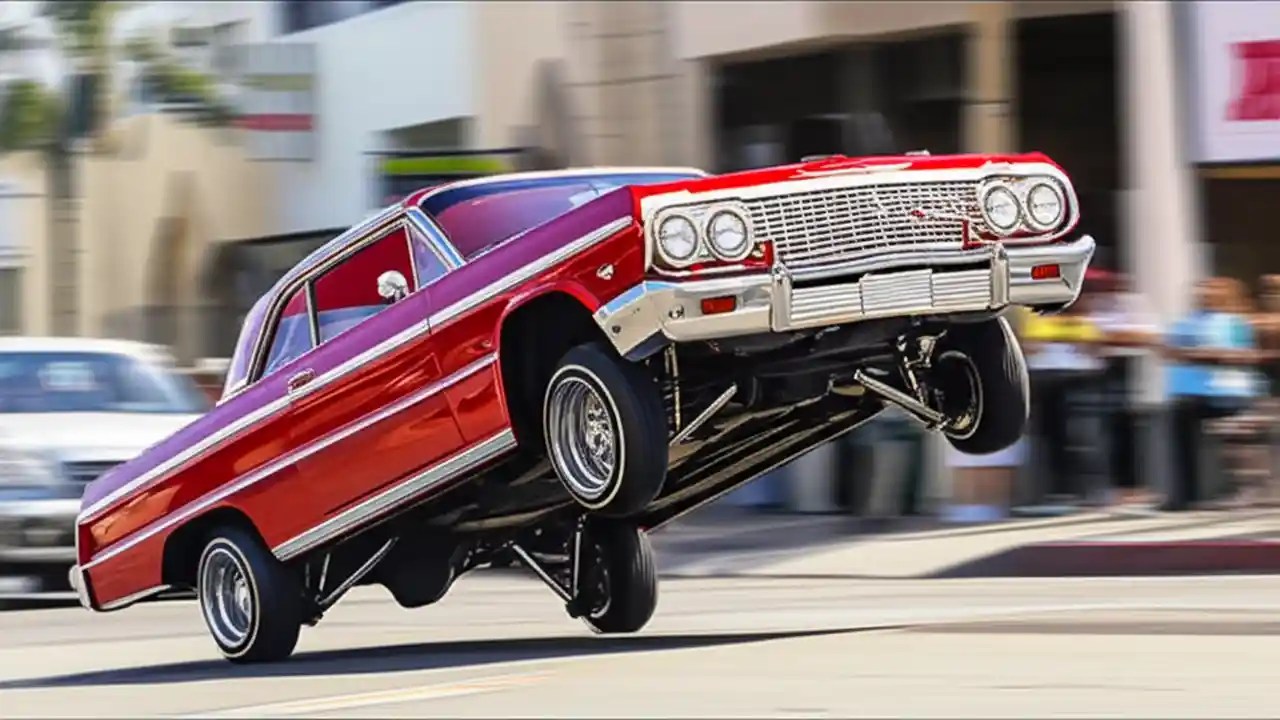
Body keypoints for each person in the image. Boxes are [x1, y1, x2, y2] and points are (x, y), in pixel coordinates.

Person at [1163, 277, 1266, 510]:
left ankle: (1247, 490)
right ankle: (1183, 496)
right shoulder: (1187, 322)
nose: (1205, 295)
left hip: (1229, 391)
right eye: (1202, 291)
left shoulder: (1234, 322)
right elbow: (1170, 350)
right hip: (1191, 392)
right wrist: (1191, 354)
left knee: (1236, 441)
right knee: (1180, 441)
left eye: (1212, 291)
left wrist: (1204, 355)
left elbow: (1246, 355)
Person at [1019, 291, 1109, 513]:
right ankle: (1046, 493)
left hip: (1081, 380)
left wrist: (1055, 338)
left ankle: (1087, 491)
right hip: (1045, 380)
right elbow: (1031, 346)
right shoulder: (1036, 318)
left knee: (1083, 437)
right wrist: (1068, 338)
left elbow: (1095, 347)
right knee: (1045, 439)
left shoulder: (1086, 320)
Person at [1091, 272, 1163, 509]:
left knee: (1133, 430)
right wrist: (1117, 337)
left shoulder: (1136, 303)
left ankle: (1138, 487)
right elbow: (1091, 338)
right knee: (1110, 432)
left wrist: (1111, 337)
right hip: (1105, 371)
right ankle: (1119, 488)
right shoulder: (1098, 305)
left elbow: (1149, 336)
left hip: (1131, 369)